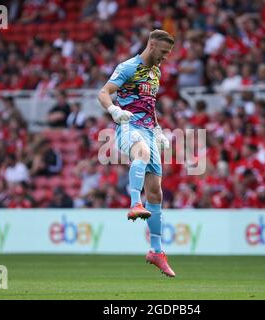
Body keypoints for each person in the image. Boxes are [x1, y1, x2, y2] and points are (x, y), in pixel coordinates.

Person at [98, 29, 175, 277]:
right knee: (139, 151)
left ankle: (156, 251)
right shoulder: (128, 67)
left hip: (149, 131)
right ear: (151, 45)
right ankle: (134, 203)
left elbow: (149, 106)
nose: (164, 57)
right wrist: (114, 110)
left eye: (168, 54)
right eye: (163, 52)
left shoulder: (156, 73)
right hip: (128, 126)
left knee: (157, 192)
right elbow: (103, 92)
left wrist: (159, 130)